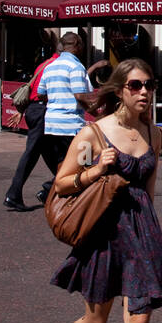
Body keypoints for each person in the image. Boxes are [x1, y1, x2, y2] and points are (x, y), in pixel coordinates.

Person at [51, 58, 162, 323]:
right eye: (136, 85)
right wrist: (96, 170)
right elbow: (63, 183)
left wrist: (154, 237)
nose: (144, 92)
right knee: (96, 322)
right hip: (104, 235)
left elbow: (149, 190)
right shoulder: (94, 134)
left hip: (141, 233)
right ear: (120, 90)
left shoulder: (152, 133)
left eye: (150, 85)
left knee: (139, 321)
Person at [35, 33, 93, 205]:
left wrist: (56, 100)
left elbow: (40, 93)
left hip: (51, 124)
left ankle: (56, 192)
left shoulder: (50, 66)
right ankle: (49, 190)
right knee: (84, 161)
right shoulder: (76, 66)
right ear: (76, 44)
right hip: (71, 125)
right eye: (81, 45)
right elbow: (80, 96)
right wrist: (95, 112)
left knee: (62, 163)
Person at [3, 49, 61, 212]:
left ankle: (51, 189)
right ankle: (14, 194)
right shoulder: (57, 65)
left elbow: (33, 87)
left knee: (54, 155)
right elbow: (42, 92)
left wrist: (23, 110)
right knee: (33, 153)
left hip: (35, 110)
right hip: (42, 111)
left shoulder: (44, 64)